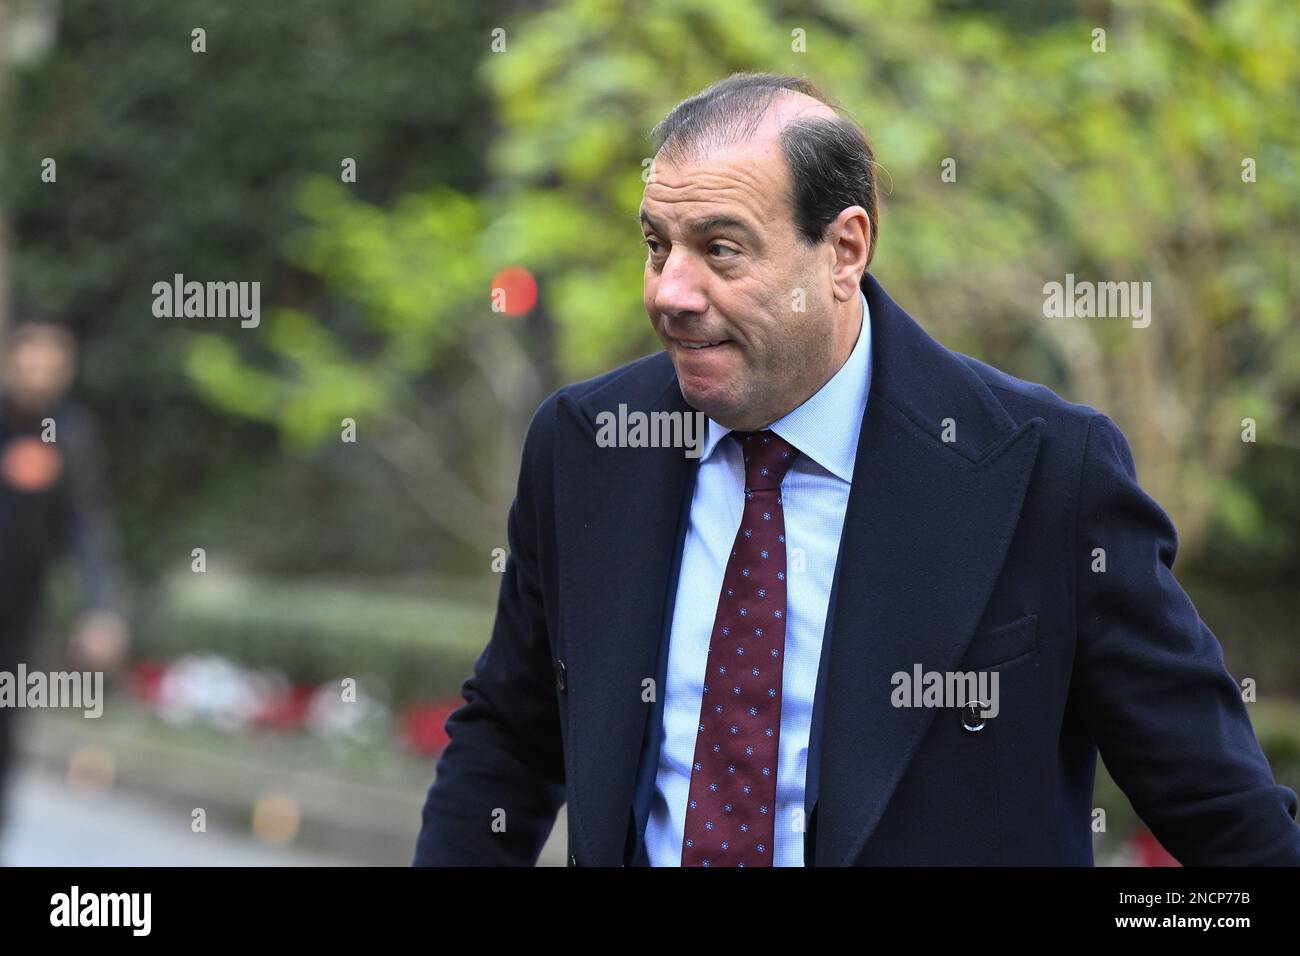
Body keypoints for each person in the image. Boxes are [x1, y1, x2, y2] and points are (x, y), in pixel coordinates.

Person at [413, 72, 1300, 866]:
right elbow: (511, 741)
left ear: (844, 250)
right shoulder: (585, 446)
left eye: (720, 249)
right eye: (656, 244)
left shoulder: (1048, 473)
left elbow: (1220, 811)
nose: (670, 292)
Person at [0, 321, 127, 844]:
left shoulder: (69, 432)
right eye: (28, 363)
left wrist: (99, 607)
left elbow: (85, 524)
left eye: (50, 367)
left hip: (20, 604)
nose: (37, 375)